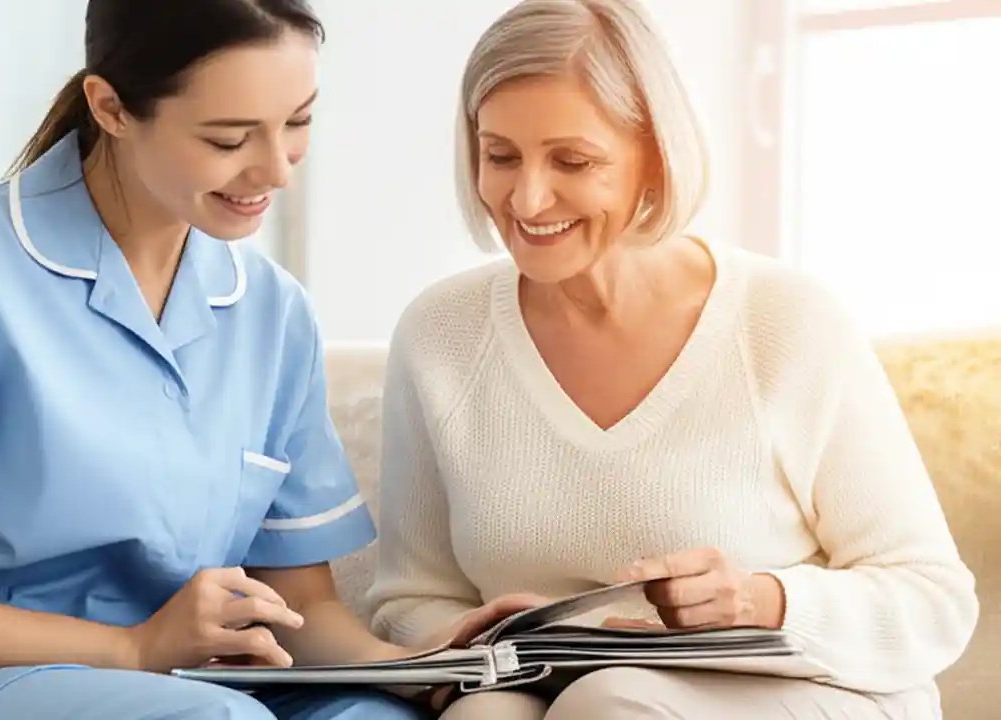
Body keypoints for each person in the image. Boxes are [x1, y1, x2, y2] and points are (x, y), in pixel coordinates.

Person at [0, 2, 430, 718]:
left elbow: (300, 608)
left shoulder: (273, 312)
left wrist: (431, 670)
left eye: (298, 123)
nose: (275, 170)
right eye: (228, 139)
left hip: (180, 687)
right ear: (111, 108)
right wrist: (131, 649)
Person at [364, 0, 979, 717]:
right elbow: (408, 599)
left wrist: (758, 600)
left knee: (611, 705)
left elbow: (932, 598)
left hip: (808, 691)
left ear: (655, 156)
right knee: (485, 715)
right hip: (555, 692)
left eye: (573, 160)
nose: (526, 198)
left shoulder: (784, 320)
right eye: (500, 156)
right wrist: (464, 636)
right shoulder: (440, 335)